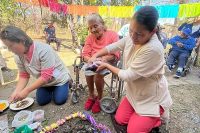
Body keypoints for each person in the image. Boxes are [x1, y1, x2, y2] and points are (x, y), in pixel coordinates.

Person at [88, 6, 172, 133]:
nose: (133, 36)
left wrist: (107, 65)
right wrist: (96, 55)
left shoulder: (153, 49)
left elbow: (128, 75)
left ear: (153, 31)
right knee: (120, 119)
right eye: (131, 31)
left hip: (150, 97)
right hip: (135, 92)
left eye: (139, 34)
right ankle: (140, 117)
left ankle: (157, 118)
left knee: (133, 130)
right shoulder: (133, 36)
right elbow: (113, 46)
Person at [0, 26, 71, 105]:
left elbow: (46, 76)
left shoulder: (44, 50)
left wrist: (26, 90)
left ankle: (67, 83)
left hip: (59, 78)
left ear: (22, 41)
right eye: (7, 47)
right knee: (41, 101)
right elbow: (24, 75)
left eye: (11, 46)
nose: (9, 50)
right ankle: (53, 89)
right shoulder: (18, 56)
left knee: (59, 100)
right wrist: (16, 92)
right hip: (45, 83)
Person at [82, 13, 120, 113]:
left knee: (98, 73)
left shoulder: (112, 35)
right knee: (88, 70)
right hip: (93, 60)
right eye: (90, 28)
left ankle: (99, 98)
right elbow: (85, 54)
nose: (93, 30)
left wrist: (105, 59)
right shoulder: (89, 38)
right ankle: (91, 95)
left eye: (95, 26)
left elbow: (116, 54)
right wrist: (89, 60)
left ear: (102, 24)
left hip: (109, 61)